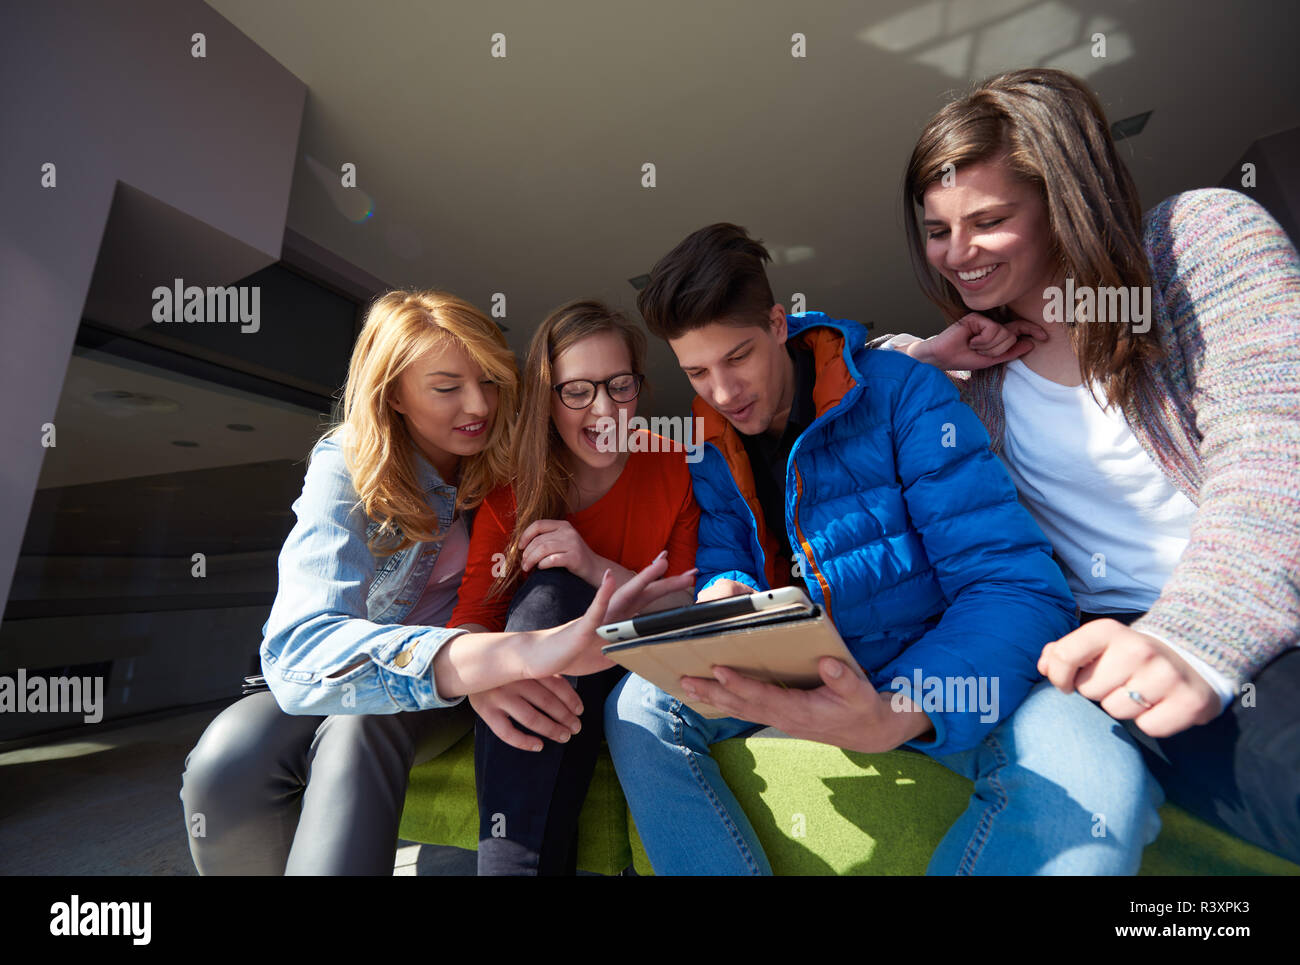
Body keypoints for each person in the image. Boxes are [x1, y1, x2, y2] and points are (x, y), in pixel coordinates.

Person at [604, 221, 1165, 876]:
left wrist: (899, 708)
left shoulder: (903, 392)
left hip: (943, 666)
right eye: (696, 371)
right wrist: (721, 590)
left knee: (1096, 774)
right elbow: (727, 548)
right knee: (638, 704)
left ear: (779, 324)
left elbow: (1012, 587)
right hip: (809, 662)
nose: (723, 392)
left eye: (737, 357)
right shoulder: (709, 442)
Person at [878, 67, 1300, 863]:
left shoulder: (1196, 246)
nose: (957, 255)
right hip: (1100, 639)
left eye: (990, 219)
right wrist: (923, 358)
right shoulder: (979, 375)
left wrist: (1196, 639)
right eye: (938, 230)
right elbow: (848, 387)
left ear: (1063, 200)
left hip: (1245, 606)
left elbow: (1273, 444)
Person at [179, 290, 688, 875]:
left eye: (491, 383)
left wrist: (486, 665)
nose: (479, 406)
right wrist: (475, 663)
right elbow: (300, 648)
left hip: (432, 690)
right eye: (446, 388)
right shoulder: (348, 464)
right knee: (228, 759)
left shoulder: (512, 464)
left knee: (362, 730)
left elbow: (537, 600)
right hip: (355, 671)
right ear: (394, 392)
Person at [450, 298, 699, 875]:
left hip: (639, 662)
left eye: (619, 385)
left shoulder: (671, 463)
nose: (606, 409)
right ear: (546, 397)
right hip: (547, 675)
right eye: (577, 391)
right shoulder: (512, 489)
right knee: (549, 596)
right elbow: (470, 622)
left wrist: (593, 567)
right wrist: (482, 687)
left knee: (561, 585)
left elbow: (685, 598)